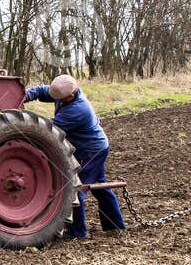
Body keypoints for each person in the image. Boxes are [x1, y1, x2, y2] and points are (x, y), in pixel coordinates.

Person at [23, 73, 125, 239]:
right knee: (99, 185)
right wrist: (24, 95)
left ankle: (77, 232)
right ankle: (115, 225)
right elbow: (41, 91)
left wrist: (22, 125)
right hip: (91, 147)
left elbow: (50, 129)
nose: (58, 101)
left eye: (61, 99)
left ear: (71, 95)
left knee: (75, 188)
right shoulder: (63, 92)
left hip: (91, 150)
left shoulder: (78, 109)